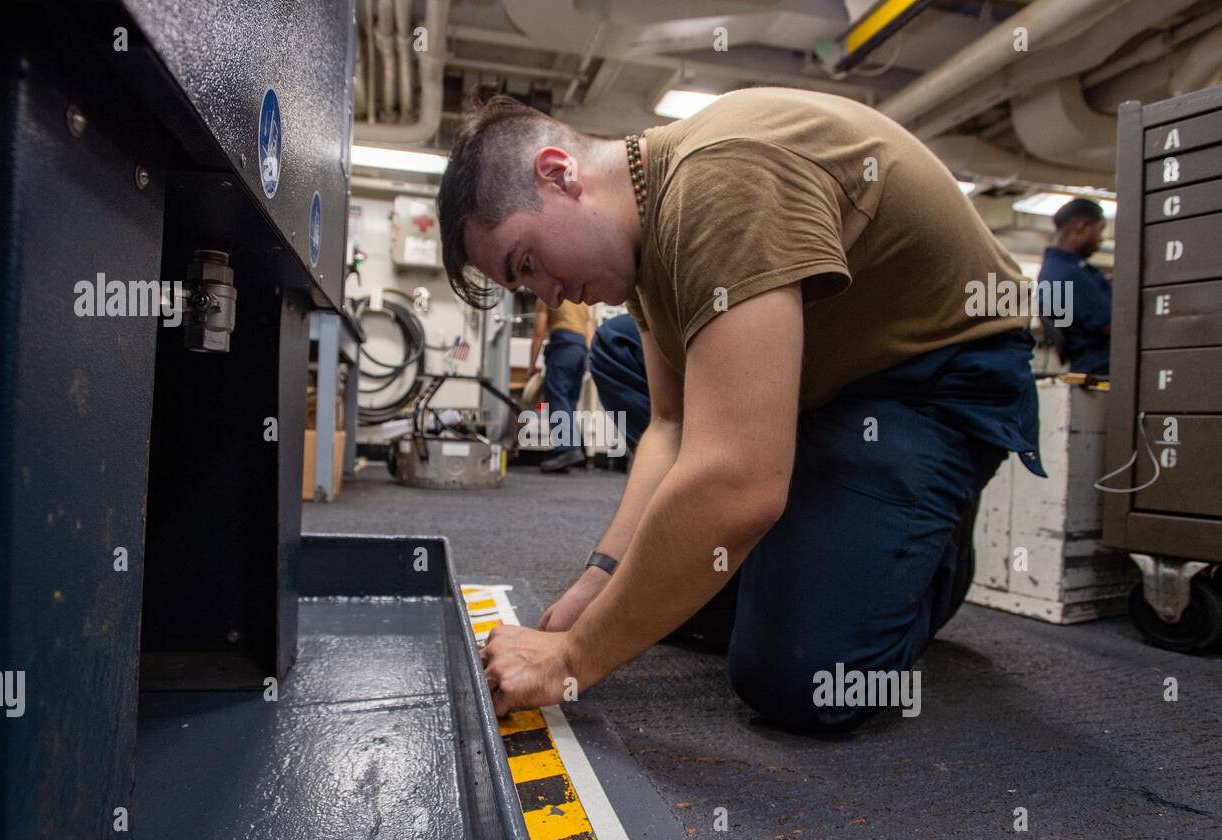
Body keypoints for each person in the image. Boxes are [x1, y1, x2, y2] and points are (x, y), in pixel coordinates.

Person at [437, 88, 1045, 732]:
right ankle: (822, 530)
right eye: (525, 285)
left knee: (802, 679)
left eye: (527, 262)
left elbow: (741, 482)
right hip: (830, 378)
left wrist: (574, 657)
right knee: (654, 562)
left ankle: (927, 560)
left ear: (560, 174)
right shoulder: (640, 245)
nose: (548, 293)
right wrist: (602, 576)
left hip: (931, 377)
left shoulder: (718, 184)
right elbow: (671, 428)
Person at [1037, 197, 1112, 374]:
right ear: (1082, 226)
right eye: (1100, 230)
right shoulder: (1068, 275)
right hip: (1102, 369)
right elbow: (1117, 326)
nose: (1101, 239)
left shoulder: (1056, 268)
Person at [529, 299, 595, 472]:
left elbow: (538, 332)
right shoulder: (580, 301)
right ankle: (568, 450)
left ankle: (566, 449)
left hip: (562, 347)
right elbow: (589, 330)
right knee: (569, 402)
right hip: (580, 351)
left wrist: (531, 364)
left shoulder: (546, 295)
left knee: (556, 398)